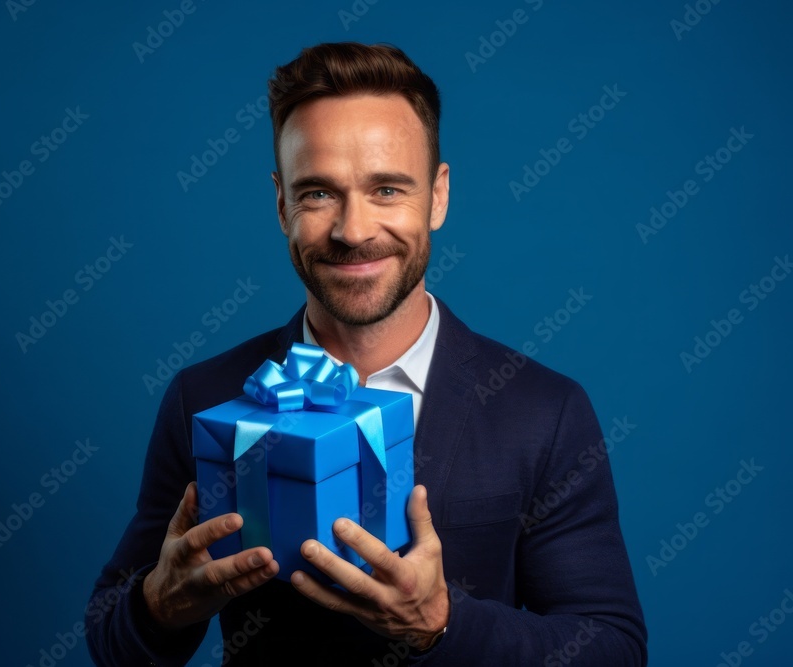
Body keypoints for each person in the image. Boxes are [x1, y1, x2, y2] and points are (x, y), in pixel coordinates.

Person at [85, 42, 647, 666]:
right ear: (281, 205)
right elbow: (113, 640)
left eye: (386, 189)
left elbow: (612, 649)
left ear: (437, 196)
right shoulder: (206, 395)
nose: (353, 231)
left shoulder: (545, 411)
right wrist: (160, 606)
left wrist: (440, 624)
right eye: (319, 193)